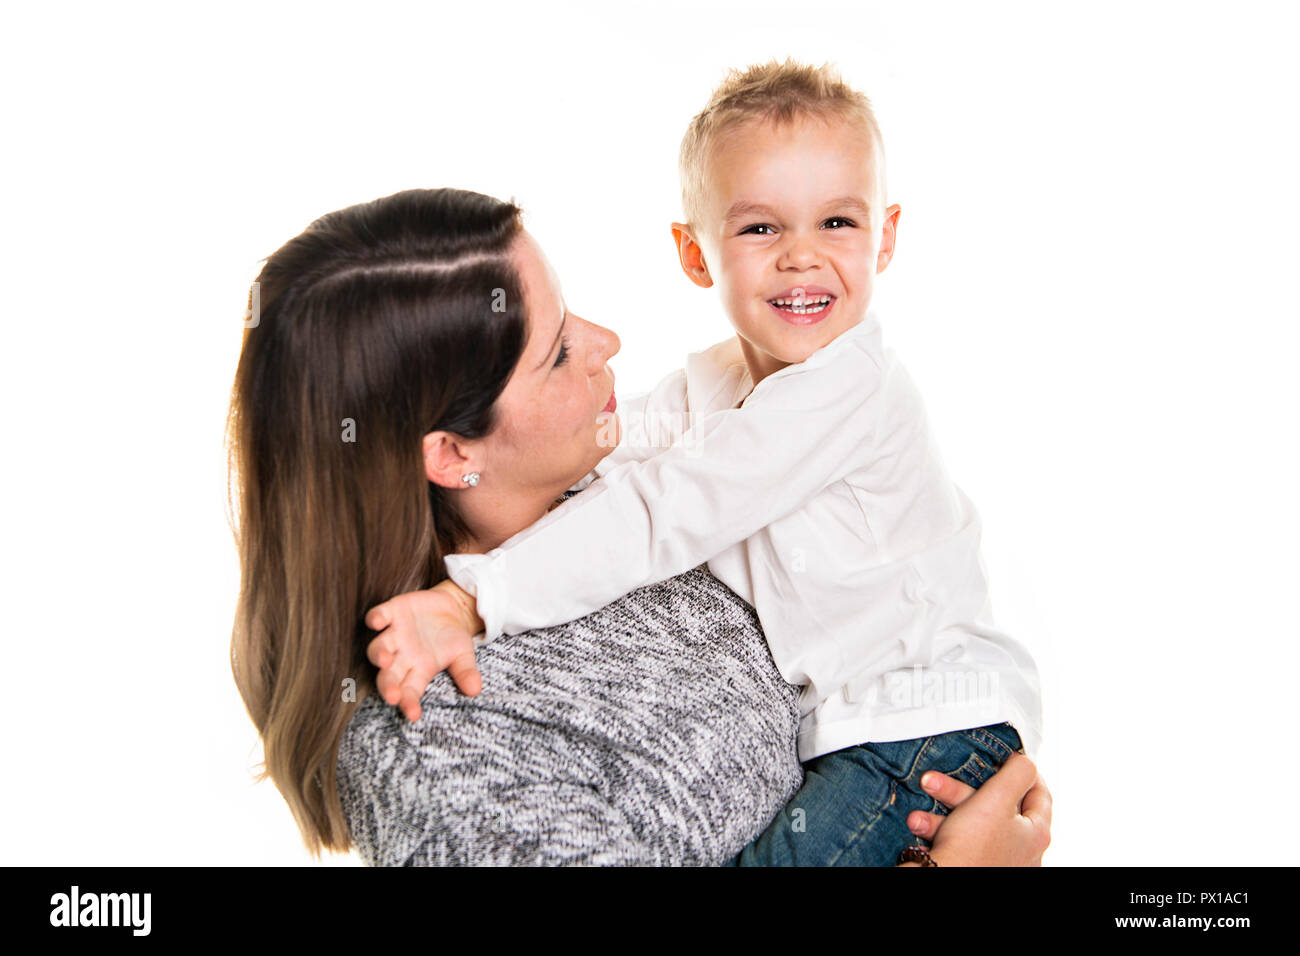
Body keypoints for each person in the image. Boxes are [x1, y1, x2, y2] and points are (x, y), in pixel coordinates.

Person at [228, 186, 1052, 865]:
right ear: (450, 453)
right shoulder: (438, 750)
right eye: (556, 352)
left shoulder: (619, 495)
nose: (606, 343)